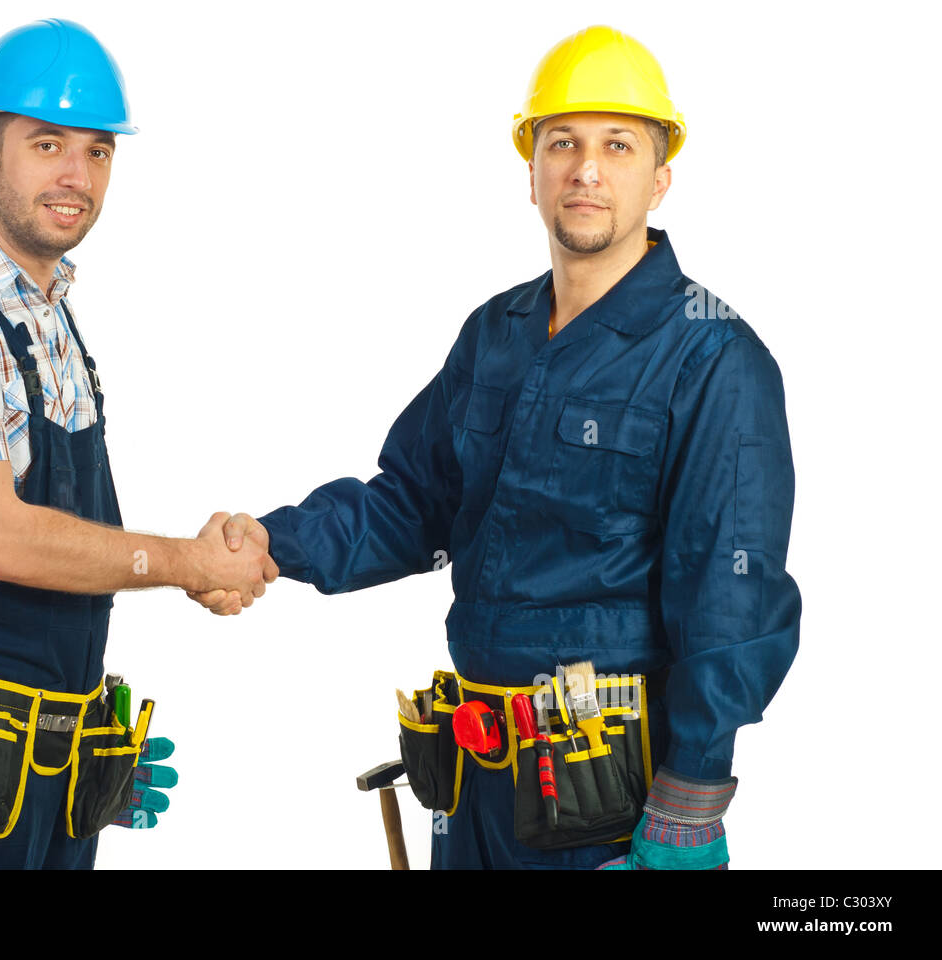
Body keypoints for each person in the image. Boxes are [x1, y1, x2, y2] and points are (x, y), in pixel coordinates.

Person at [201, 25, 800, 869]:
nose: (586, 169)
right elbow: (413, 503)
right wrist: (272, 542)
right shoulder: (497, 333)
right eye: (563, 143)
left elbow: (730, 599)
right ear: (531, 172)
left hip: (604, 806)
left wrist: (691, 802)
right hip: (473, 784)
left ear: (660, 178)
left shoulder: (713, 355)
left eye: (617, 146)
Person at [0, 18, 276, 869]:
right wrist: (193, 564)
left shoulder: (45, 317)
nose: (76, 176)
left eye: (97, 151)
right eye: (47, 144)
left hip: (53, 739)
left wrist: (77, 721)